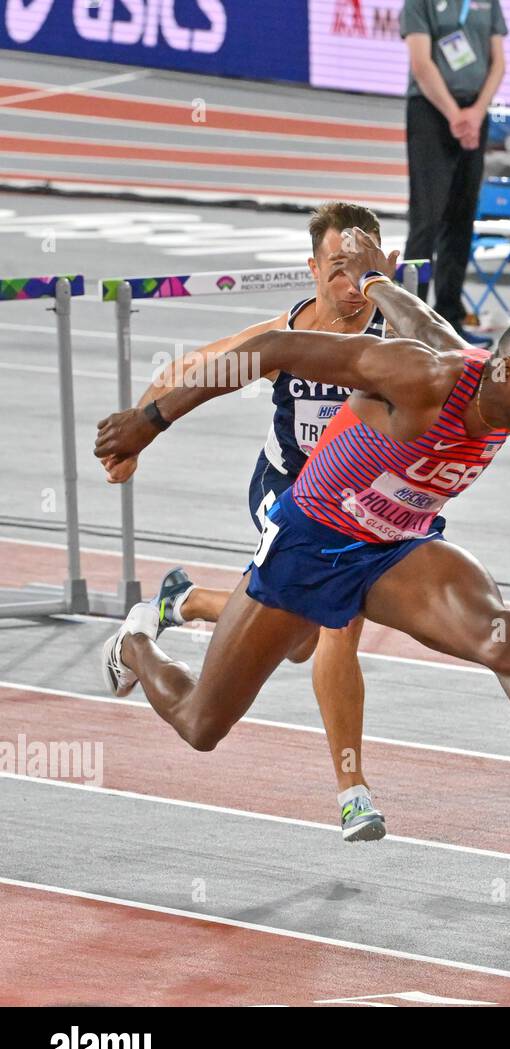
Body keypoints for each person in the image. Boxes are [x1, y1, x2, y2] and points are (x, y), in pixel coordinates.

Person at [94, 270, 510, 837]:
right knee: (202, 725)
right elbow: (274, 346)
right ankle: (136, 644)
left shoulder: (487, 381)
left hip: (395, 547)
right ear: (506, 369)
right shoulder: (423, 379)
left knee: (504, 637)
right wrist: (151, 419)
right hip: (313, 541)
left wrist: (379, 279)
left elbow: (427, 319)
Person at [98, 203, 406, 842]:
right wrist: (135, 433)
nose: (350, 289)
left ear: (385, 268)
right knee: (336, 623)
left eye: (362, 273)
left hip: (356, 508)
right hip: (286, 496)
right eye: (336, 273)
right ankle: (353, 792)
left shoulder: (399, 346)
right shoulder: (284, 341)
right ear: (313, 268)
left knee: (294, 643)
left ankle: (182, 601)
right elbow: (191, 369)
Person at [401, 0, 507, 347]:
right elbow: (421, 63)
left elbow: (498, 62)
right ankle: (410, 323)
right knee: (426, 221)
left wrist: (476, 112)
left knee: (461, 220)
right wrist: (454, 115)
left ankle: (449, 319)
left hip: (474, 112)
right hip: (431, 112)